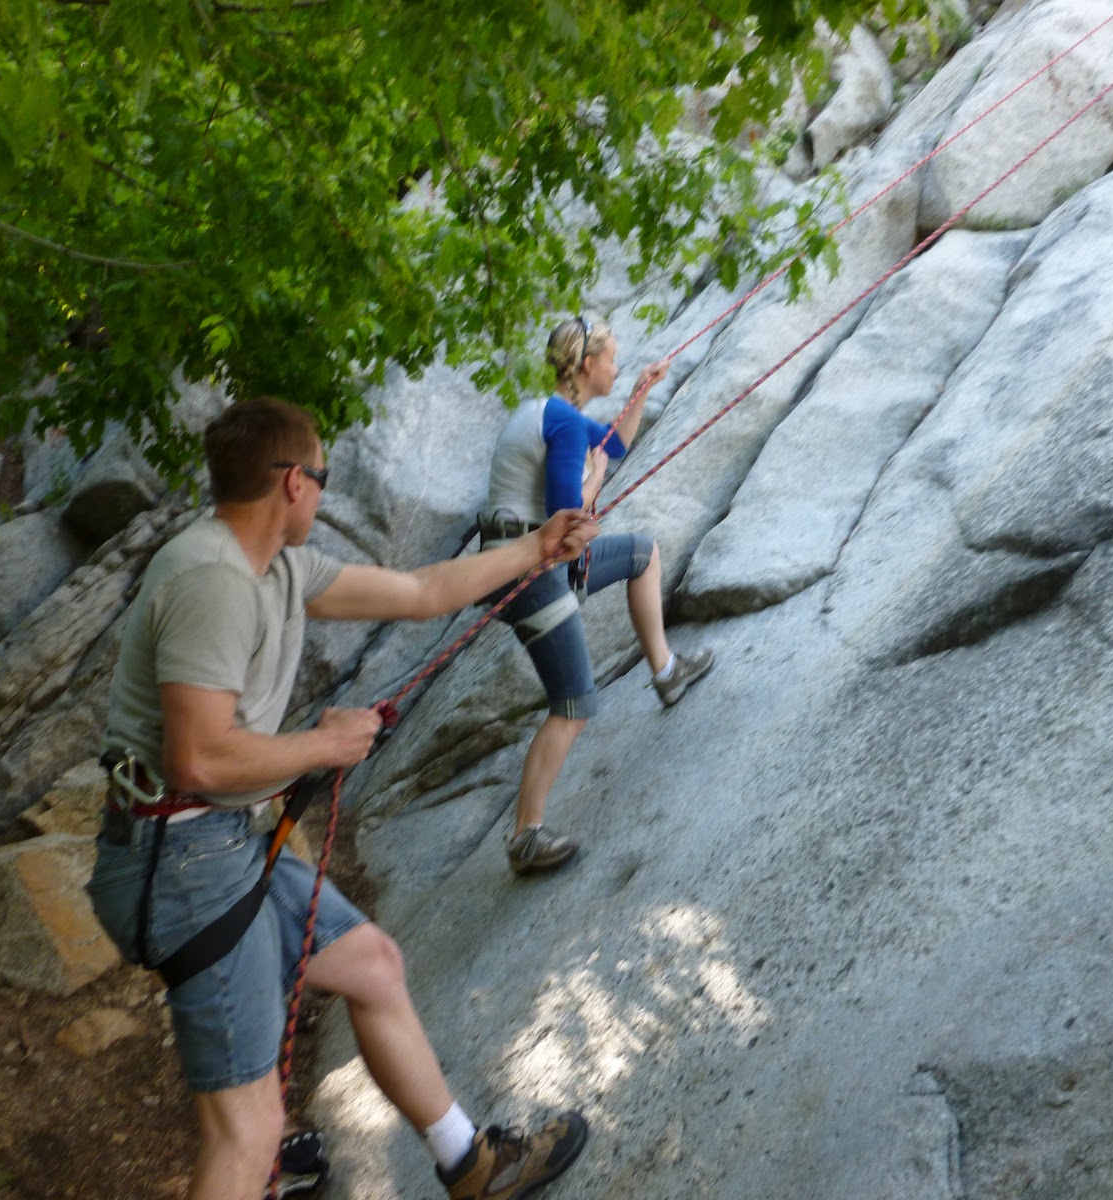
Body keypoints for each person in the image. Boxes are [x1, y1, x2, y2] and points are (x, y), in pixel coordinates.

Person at [88, 397, 596, 1200]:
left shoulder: (279, 567)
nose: (323, 495)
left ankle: (470, 1165)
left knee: (372, 964)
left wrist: (534, 546)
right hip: (179, 863)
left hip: (217, 842)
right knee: (247, 1129)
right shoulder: (211, 577)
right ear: (294, 481)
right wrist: (323, 746)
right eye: (321, 479)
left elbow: (422, 591)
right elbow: (197, 756)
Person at [479, 315, 714, 878]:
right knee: (574, 701)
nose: (617, 366)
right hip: (530, 569)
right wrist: (597, 478)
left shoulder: (555, 414)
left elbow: (614, 443)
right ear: (587, 365)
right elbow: (567, 515)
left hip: (526, 560)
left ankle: (667, 672)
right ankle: (525, 836)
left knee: (642, 554)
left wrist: (642, 390)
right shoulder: (561, 422)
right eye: (612, 359)